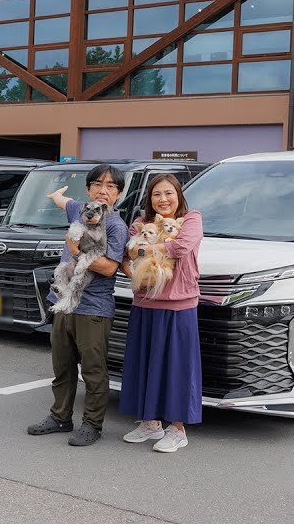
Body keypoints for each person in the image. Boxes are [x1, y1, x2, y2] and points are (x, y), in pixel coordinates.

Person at [26, 164, 129, 446]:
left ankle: (92, 425)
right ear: (88, 189)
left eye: (111, 186)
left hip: (93, 309)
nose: (103, 190)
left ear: (118, 194)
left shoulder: (117, 226)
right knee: (62, 365)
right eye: (98, 184)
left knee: (94, 370)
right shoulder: (80, 210)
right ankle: (60, 417)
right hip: (63, 303)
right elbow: (63, 201)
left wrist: (77, 249)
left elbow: (109, 268)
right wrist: (56, 195)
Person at [118, 173, 203, 453]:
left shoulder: (190, 220)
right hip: (144, 303)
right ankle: (151, 423)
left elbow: (181, 246)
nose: (163, 199)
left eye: (168, 193)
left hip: (179, 305)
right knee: (145, 364)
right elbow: (129, 254)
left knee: (176, 369)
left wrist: (147, 247)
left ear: (178, 195)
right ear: (149, 199)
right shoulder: (140, 223)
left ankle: (177, 430)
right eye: (156, 194)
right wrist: (140, 251)